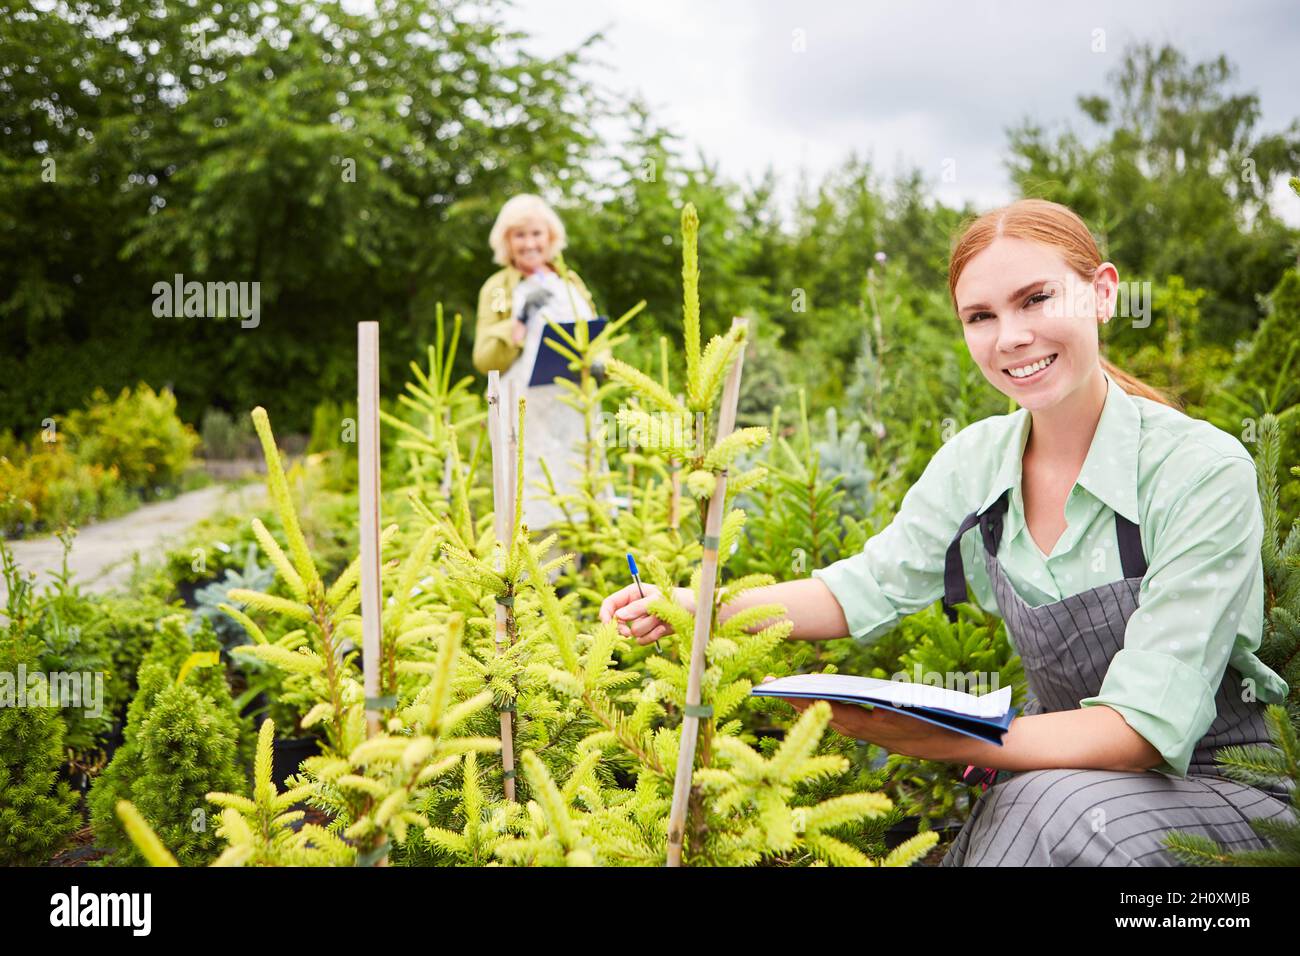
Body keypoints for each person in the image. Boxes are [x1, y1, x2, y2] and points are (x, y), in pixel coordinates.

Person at [598, 198, 1295, 866]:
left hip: (1224, 790)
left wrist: (937, 740)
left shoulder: (1198, 472)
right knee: (1041, 804)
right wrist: (696, 609)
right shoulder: (976, 462)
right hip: (1058, 777)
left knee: (1047, 807)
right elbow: (864, 589)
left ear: (1103, 293)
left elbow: (1139, 732)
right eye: (981, 316)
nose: (1011, 336)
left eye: (1036, 299)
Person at [473, 194, 610, 537]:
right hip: (526, 408)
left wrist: (600, 362)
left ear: (551, 237)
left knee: (578, 484)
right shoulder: (497, 288)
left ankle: (578, 568)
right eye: (519, 235)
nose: (530, 243)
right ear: (506, 242)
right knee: (531, 491)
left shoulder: (571, 281)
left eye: (536, 233)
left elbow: (595, 334)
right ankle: (535, 571)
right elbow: (485, 358)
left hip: (572, 403)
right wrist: (518, 321)